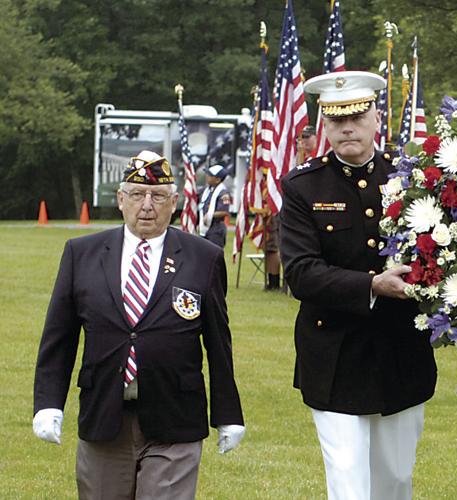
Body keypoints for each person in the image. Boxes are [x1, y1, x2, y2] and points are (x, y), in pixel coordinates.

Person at [32, 150, 245, 499]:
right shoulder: (81, 254)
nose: (147, 205)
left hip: (175, 417)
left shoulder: (203, 257)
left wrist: (228, 413)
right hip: (104, 415)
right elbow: (59, 338)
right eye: (136, 194)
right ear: (120, 199)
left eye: (158, 196)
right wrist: (47, 403)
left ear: (173, 202)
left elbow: (219, 342)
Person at [280, 71, 436, 500]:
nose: (347, 127)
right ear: (324, 125)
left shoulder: (409, 178)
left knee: (395, 479)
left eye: (357, 117)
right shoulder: (303, 186)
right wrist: (372, 285)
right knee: (348, 480)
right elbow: (301, 272)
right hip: (334, 352)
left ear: (376, 119)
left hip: (400, 350)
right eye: (336, 120)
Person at [197, 164, 231, 249]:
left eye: (210, 175)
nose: (207, 176)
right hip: (205, 228)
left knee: (214, 252)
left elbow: (224, 212)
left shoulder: (223, 193)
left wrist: (209, 215)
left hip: (216, 229)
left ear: (217, 180)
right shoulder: (207, 190)